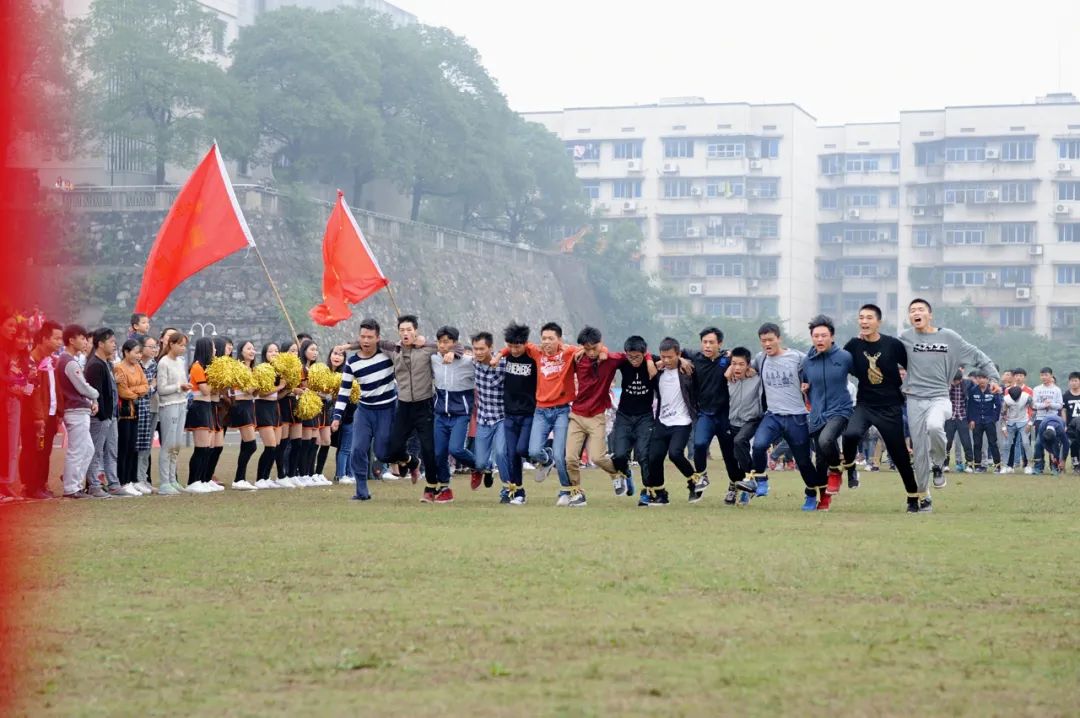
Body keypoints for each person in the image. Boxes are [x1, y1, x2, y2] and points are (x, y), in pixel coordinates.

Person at [899, 298, 999, 513]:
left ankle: (939, 463)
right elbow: (886, 354)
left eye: (921, 309)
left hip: (939, 397)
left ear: (930, 314)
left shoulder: (949, 338)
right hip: (914, 399)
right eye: (912, 310)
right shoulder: (905, 338)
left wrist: (994, 379)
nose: (916, 313)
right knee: (918, 452)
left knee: (935, 426)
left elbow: (978, 356)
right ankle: (924, 496)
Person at [735, 323, 820, 510]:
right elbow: (746, 367)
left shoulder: (797, 357)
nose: (767, 344)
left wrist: (807, 383)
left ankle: (811, 495)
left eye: (770, 340)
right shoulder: (760, 358)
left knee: (804, 462)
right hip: (773, 415)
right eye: (763, 341)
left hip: (797, 417)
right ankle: (760, 480)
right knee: (758, 446)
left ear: (779, 339)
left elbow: (814, 370)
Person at [840, 304, 918, 503]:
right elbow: (838, 364)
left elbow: (914, 366)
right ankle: (850, 469)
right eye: (861, 317)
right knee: (850, 435)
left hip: (890, 407)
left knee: (899, 454)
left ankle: (913, 497)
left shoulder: (893, 345)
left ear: (878, 322)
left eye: (869, 318)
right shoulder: (853, 345)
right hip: (865, 404)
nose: (864, 321)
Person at [508, 322, 580, 505]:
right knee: (532, 450)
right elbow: (512, 346)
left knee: (560, 454)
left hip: (562, 410)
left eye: (551, 338)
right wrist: (499, 355)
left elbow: (591, 349)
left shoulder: (568, 353)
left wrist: (600, 350)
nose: (547, 342)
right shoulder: (536, 351)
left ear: (559, 340)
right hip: (540, 410)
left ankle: (566, 490)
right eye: (544, 338)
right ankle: (544, 459)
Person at [330, 318, 397, 501]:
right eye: (362, 337)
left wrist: (349, 345)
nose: (366, 341)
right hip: (365, 410)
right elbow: (344, 392)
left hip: (387, 409)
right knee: (357, 449)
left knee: (382, 452)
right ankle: (361, 491)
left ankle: (407, 461)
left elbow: (401, 349)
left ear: (378, 338)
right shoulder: (351, 362)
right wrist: (337, 417)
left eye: (370, 337)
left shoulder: (388, 355)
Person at [380, 315, 446, 491]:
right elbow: (372, 342)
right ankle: (412, 462)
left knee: (428, 449)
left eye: (409, 330)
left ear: (416, 331)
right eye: (402, 330)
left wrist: (452, 352)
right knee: (393, 450)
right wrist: (347, 346)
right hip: (404, 406)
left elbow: (455, 347)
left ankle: (431, 487)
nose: (405, 333)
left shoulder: (427, 348)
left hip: (425, 405)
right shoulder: (394, 349)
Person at [563, 326, 625, 507]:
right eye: (586, 348)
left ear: (601, 343)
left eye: (594, 348)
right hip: (576, 415)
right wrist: (580, 350)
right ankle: (577, 492)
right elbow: (559, 349)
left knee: (597, 458)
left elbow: (634, 354)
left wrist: (652, 361)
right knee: (571, 459)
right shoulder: (578, 357)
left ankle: (616, 474)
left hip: (597, 416)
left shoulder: (611, 359)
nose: (591, 352)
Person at [641, 338, 700, 506]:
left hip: (682, 421)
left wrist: (682, 360)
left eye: (670, 357)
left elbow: (699, 355)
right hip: (662, 421)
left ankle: (693, 481)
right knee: (654, 457)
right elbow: (642, 355)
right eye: (663, 357)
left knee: (675, 454)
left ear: (678, 354)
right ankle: (660, 494)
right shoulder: (658, 372)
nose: (666, 360)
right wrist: (653, 362)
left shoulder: (687, 371)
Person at [802, 315, 853, 509]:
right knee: (820, 459)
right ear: (812, 338)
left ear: (832, 336)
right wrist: (804, 388)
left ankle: (837, 470)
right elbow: (806, 384)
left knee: (826, 441)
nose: (820, 339)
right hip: (817, 414)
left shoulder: (845, 357)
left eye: (824, 335)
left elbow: (863, 375)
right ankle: (824, 498)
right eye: (816, 336)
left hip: (840, 409)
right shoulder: (807, 361)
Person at [683, 326, 738, 494]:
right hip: (705, 414)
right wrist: (681, 360)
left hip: (725, 416)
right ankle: (702, 475)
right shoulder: (695, 357)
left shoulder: (727, 359)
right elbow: (677, 351)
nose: (707, 346)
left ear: (719, 344)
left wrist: (733, 360)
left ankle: (734, 486)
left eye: (711, 342)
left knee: (729, 455)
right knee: (699, 445)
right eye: (704, 342)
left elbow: (744, 356)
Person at [85, 328, 135, 497]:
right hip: (101, 417)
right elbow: (95, 394)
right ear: (100, 343)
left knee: (112, 451)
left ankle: (114, 483)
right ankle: (94, 484)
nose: (115, 345)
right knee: (96, 451)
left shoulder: (106, 363)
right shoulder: (94, 365)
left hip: (112, 415)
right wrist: (103, 414)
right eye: (112, 342)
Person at [428, 325, 475, 504]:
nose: (442, 345)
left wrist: (455, 352)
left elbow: (479, 357)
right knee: (439, 453)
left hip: (460, 414)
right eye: (440, 342)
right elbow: (423, 345)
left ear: (455, 343)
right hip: (440, 414)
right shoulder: (434, 359)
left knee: (455, 449)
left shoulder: (467, 362)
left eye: (446, 342)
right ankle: (445, 488)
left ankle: (478, 467)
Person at [610, 335, 658, 502]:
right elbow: (605, 355)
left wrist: (651, 359)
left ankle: (647, 491)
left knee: (643, 454)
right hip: (624, 415)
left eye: (637, 357)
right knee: (619, 455)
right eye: (630, 356)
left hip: (644, 417)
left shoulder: (653, 361)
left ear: (644, 354)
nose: (633, 360)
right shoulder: (623, 362)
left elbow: (673, 358)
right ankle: (626, 474)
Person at [20, 321, 64, 499]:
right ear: (44, 338)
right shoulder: (32, 361)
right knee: (33, 451)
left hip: (51, 414)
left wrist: (59, 411)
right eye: (56, 338)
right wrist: (39, 417)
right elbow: (34, 393)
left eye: (61, 338)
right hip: (36, 416)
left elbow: (56, 389)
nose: (60, 342)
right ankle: (30, 486)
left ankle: (41, 484)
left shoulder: (51, 360)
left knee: (45, 452)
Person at [58, 325, 101, 499]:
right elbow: (82, 386)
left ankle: (72, 479)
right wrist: (96, 394)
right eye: (82, 338)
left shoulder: (69, 360)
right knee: (77, 450)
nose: (85, 342)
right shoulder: (69, 361)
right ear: (71, 340)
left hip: (79, 409)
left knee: (88, 449)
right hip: (75, 410)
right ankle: (71, 487)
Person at [469, 332, 511, 500]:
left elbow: (516, 352)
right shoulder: (472, 363)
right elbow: (455, 351)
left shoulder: (503, 364)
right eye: (475, 348)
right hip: (483, 419)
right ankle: (487, 469)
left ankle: (508, 488)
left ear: (491, 348)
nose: (478, 352)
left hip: (502, 417)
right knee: (479, 462)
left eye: (482, 349)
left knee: (501, 453)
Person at [499, 322, 537, 505]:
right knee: (511, 453)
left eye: (518, 346)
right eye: (510, 346)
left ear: (525, 343)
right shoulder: (505, 356)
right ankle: (518, 491)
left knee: (522, 449)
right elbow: (502, 351)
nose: (514, 350)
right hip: (509, 413)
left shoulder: (533, 358)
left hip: (529, 413)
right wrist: (503, 351)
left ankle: (544, 456)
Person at [724, 346, 761, 506]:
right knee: (731, 458)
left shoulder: (757, 378)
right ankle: (735, 484)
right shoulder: (727, 378)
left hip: (751, 420)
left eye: (741, 364)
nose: (737, 367)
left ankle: (750, 480)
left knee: (740, 442)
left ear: (748, 365)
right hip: (731, 421)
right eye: (734, 364)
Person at [155, 332, 190, 495]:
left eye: (185, 345)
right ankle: (164, 482)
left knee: (176, 445)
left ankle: (172, 479)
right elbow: (161, 389)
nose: (183, 348)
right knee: (168, 444)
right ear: (171, 344)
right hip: (169, 405)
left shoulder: (180, 362)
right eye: (181, 345)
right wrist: (178, 387)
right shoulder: (163, 363)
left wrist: (184, 387)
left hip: (181, 403)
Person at [113, 338, 149, 491]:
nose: (138, 355)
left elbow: (146, 386)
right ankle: (123, 481)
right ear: (126, 352)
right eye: (136, 352)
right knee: (124, 447)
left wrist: (133, 391)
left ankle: (130, 480)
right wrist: (136, 393)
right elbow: (122, 391)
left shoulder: (138, 367)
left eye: (140, 352)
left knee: (132, 447)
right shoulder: (119, 368)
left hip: (136, 412)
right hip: (124, 413)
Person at [184, 337, 218, 493]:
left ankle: (203, 479)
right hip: (199, 407)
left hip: (207, 406)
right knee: (200, 448)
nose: (215, 351)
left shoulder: (206, 367)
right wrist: (218, 379)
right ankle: (193, 481)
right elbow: (205, 390)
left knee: (207, 448)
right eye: (213, 348)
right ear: (206, 349)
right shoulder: (197, 367)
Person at [254, 343, 287, 489]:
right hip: (263, 407)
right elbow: (261, 392)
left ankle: (266, 477)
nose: (274, 353)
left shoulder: (279, 371)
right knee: (270, 446)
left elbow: (277, 395)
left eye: (276, 351)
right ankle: (260, 478)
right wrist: (280, 386)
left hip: (275, 407)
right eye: (270, 351)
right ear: (264, 354)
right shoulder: (261, 369)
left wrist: (288, 388)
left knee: (276, 447)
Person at [229, 340, 260, 490]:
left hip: (249, 405)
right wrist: (260, 382)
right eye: (248, 348)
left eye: (253, 349)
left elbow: (255, 392)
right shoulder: (239, 368)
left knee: (246, 444)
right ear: (241, 351)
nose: (252, 351)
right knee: (251, 445)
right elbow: (248, 390)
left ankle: (240, 478)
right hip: (241, 406)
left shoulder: (252, 369)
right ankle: (239, 478)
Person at [326, 345, 356, 484]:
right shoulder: (323, 372)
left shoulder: (347, 373)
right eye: (335, 353)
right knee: (328, 444)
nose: (337, 357)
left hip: (348, 416)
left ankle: (346, 474)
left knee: (346, 447)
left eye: (340, 355)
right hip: (329, 416)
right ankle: (341, 474)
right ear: (330, 355)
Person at [134, 334, 158, 491]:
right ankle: (135, 479)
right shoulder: (135, 365)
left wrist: (150, 387)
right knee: (136, 445)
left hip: (153, 408)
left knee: (146, 447)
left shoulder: (155, 365)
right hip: (137, 409)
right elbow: (140, 391)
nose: (154, 350)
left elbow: (154, 386)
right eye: (151, 346)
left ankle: (143, 478)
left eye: (155, 346)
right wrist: (150, 386)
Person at [966, 370, 1002, 473]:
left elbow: (998, 405)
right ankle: (978, 466)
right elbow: (970, 407)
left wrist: (994, 418)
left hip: (989, 421)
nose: (982, 380)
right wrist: (971, 419)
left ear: (988, 379)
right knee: (977, 443)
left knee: (993, 443)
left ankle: (997, 466)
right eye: (979, 378)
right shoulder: (973, 390)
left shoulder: (992, 390)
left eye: (984, 378)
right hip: (976, 421)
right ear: (977, 379)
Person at [1030, 367, 1064, 475]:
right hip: (1040, 419)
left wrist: (1051, 405)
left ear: (1051, 375)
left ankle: (1055, 467)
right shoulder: (1037, 389)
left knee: (1053, 443)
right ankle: (1038, 467)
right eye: (1042, 375)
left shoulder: (1056, 389)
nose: (1044, 377)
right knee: (1039, 444)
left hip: (1053, 420)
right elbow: (1034, 405)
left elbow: (1059, 405)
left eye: (1046, 375)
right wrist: (1044, 405)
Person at [944, 371, 975, 473]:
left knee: (966, 442)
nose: (954, 383)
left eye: (956, 381)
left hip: (963, 417)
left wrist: (971, 419)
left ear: (961, 380)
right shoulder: (946, 385)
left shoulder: (967, 384)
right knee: (947, 442)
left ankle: (969, 464)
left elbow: (974, 384)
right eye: (953, 380)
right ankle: (945, 464)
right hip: (950, 417)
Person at [1001, 385, 1032, 474]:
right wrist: (1003, 428)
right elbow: (1002, 414)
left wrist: (1030, 423)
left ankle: (1029, 465)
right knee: (1006, 444)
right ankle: (1004, 466)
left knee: (1026, 443)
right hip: (1011, 422)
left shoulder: (1027, 397)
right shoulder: (1006, 399)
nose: (1015, 400)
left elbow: (1034, 410)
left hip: (1024, 422)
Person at [1063, 372, 1080, 473]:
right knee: (1073, 445)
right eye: (1071, 381)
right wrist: (1064, 424)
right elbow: (1064, 411)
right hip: (1072, 426)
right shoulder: (1066, 395)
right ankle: (1075, 465)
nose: (1073, 383)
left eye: (1076, 381)